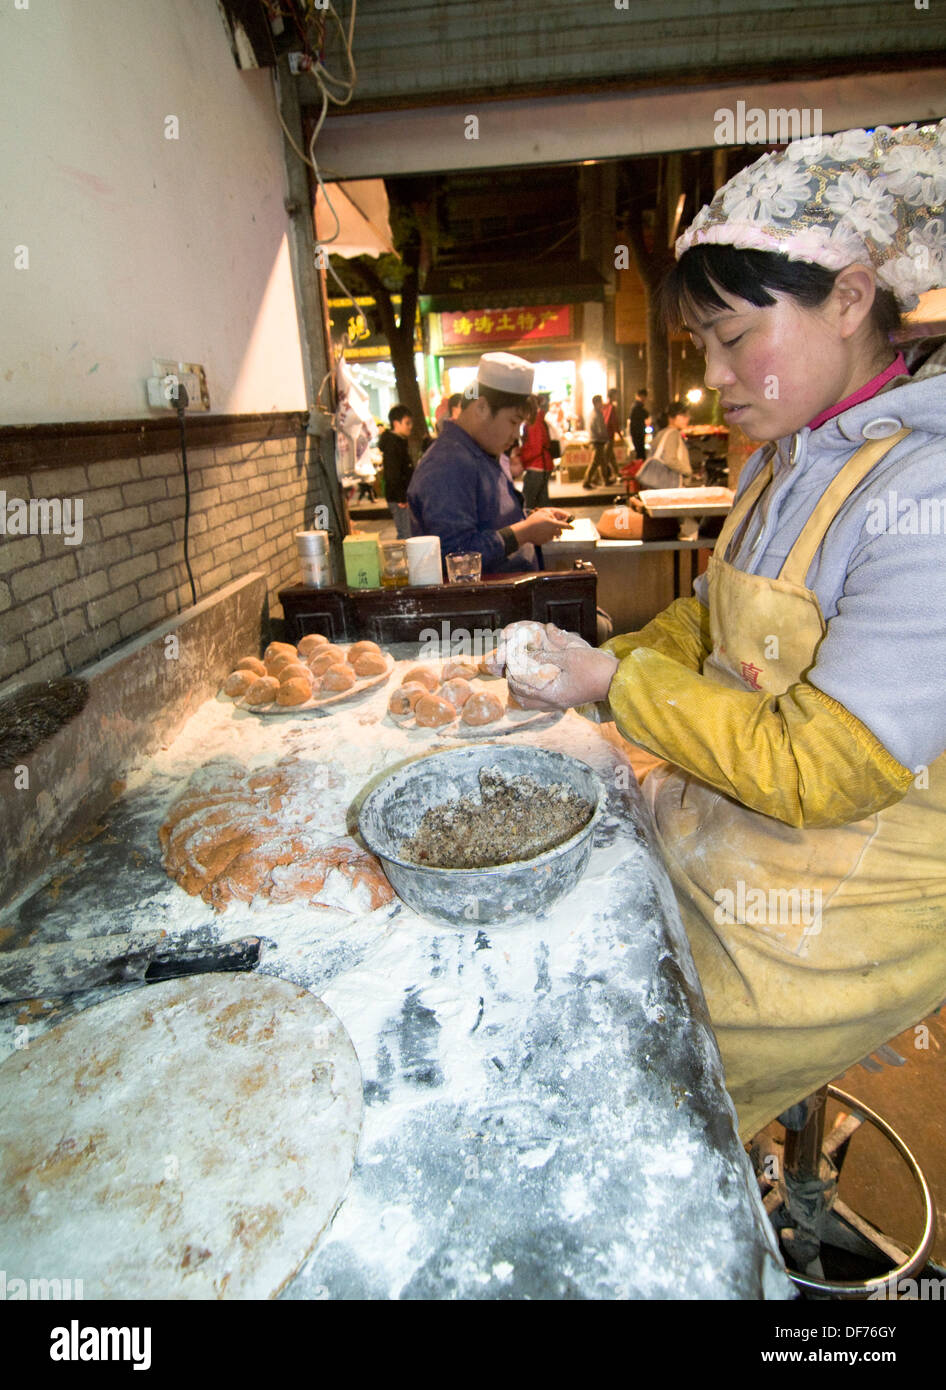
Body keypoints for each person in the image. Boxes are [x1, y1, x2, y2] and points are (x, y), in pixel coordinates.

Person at [486, 121, 946, 1141]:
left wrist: (612, 682)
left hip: (838, 917)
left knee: (632, 1103)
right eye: (702, 345)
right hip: (734, 839)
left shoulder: (927, 490)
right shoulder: (780, 464)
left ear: (852, 296)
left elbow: (821, 767)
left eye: (736, 337)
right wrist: (596, 657)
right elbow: (709, 614)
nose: (715, 375)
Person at [407, 352, 572, 575]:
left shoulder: (484, 451)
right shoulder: (447, 465)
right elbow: (456, 557)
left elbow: (490, 518)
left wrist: (532, 519)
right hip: (484, 605)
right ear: (481, 408)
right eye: (513, 422)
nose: (516, 436)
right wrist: (524, 532)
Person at [636, 401, 693, 490]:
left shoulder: (662, 433)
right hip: (670, 486)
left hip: (658, 485)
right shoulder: (673, 434)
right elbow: (669, 459)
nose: (687, 419)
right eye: (683, 416)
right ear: (671, 418)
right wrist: (687, 471)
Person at [378, 405, 414, 539]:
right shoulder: (393, 445)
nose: (410, 426)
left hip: (401, 496)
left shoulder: (398, 442)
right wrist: (401, 497)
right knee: (406, 534)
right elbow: (393, 473)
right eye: (407, 423)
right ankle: (405, 559)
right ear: (396, 423)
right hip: (398, 498)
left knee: (406, 532)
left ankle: (406, 558)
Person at [520, 393, 554, 510]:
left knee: (528, 504)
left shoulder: (533, 423)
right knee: (542, 503)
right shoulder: (538, 420)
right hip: (543, 465)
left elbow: (535, 448)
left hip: (536, 466)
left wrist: (520, 459)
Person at [582, 394, 610, 489]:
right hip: (597, 441)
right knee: (595, 462)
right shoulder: (597, 414)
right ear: (596, 403)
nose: (602, 404)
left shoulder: (593, 413)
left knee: (602, 461)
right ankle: (586, 481)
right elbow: (600, 429)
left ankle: (605, 480)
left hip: (596, 440)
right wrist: (606, 437)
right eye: (600, 402)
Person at [601, 387, 623, 483]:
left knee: (611, 456)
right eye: (616, 395)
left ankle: (618, 474)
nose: (617, 397)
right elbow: (614, 422)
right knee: (606, 458)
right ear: (613, 396)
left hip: (603, 435)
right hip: (609, 435)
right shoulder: (611, 407)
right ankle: (604, 478)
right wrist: (619, 433)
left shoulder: (604, 406)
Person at [628, 388, 650, 461]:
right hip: (637, 433)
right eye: (644, 397)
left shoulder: (637, 406)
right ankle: (640, 469)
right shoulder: (637, 407)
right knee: (640, 453)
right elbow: (646, 414)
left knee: (640, 453)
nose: (645, 399)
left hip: (637, 433)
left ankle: (640, 468)